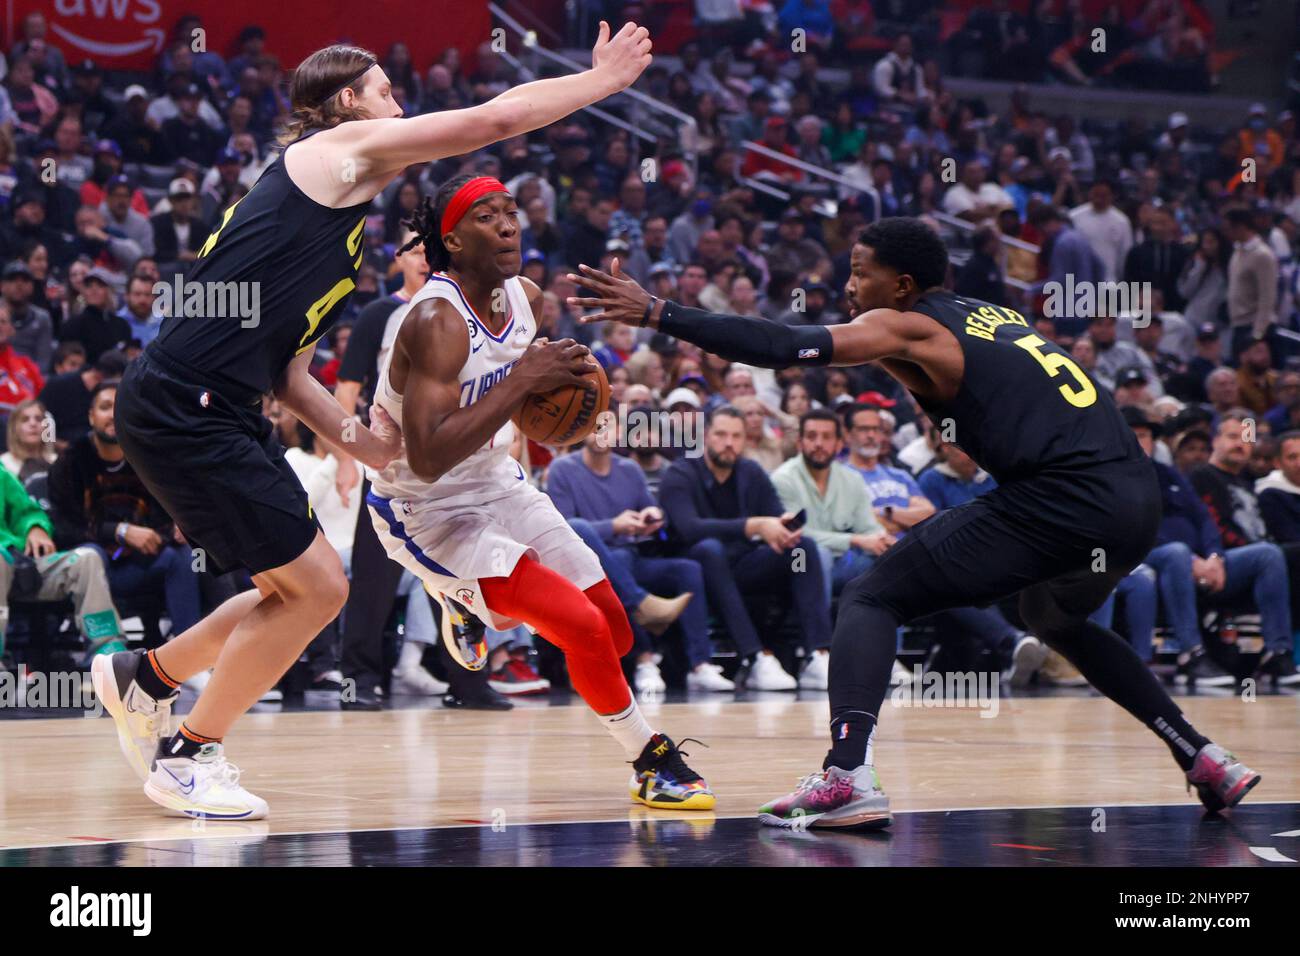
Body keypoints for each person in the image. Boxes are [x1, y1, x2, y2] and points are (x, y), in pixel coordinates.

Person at [93, 24, 657, 821]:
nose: (399, 100)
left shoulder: (336, 225)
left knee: (289, 587)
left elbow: (288, 366)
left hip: (219, 403)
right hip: (187, 402)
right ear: (346, 104)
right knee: (318, 590)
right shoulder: (336, 153)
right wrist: (598, 85)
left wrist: (358, 438)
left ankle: (143, 678)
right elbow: (490, 120)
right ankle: (188, 755)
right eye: (385, 87)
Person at [570, 216, 1261, 829]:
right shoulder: (988, 313)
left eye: (858, 273)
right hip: (1133, 497)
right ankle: (1203, 757)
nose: (846, 287)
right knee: (1052, 619)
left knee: (873, 594)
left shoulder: (909, 323)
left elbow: (785, 346)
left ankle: (846, 776)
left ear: (900, 285)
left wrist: (658, 311)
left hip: (1065, 496)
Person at [366, 174, 713, 810]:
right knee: (580, 628)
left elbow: (521, 405)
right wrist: (523, 376)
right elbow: (430, 455)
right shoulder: (435, 320)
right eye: (487, 217)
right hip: (426, 508)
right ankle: (649, 757)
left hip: (501, 483)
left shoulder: (526, 297)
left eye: (512, 214)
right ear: (452, 241)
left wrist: (559, 396)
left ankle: (469, 604)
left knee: (615, 631)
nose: (507, 225)